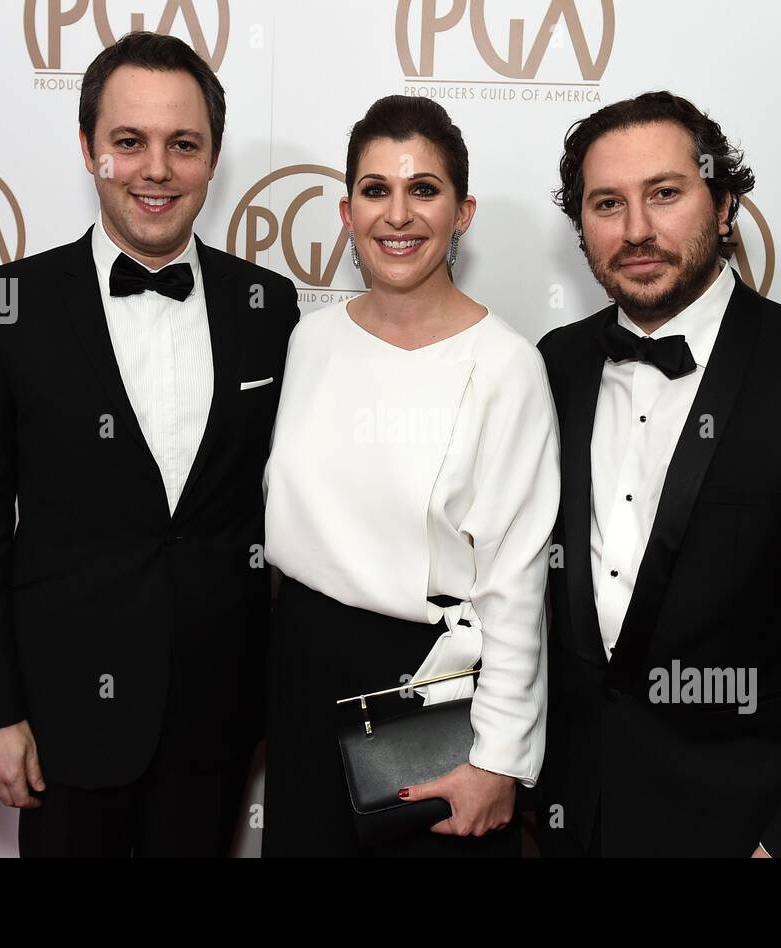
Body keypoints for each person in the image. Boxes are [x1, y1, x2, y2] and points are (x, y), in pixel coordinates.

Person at [0, 31, 299, 857]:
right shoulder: (7, 305)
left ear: (212, 158)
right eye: (128, 142)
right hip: (61, 719)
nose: (156, 169)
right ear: (88, 151)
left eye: (183, 144)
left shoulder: (267, 307)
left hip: (216, 718)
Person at [536, 91, 781, 857]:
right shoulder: (553, 364)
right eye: (607, 203)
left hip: (747, 823)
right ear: (582, 228)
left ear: (726, 204)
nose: (636, 229)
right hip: (577, 815)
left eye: (665, 194)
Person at [260, 95, 559, 857]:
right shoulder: (308, 342)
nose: (398, 215)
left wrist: (499, 759)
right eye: (375, 190)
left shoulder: (508, 368)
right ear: (346, 209)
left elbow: (516, 585)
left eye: (424, 190)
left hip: (430, 689)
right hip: (301, 673)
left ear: (462, 213)